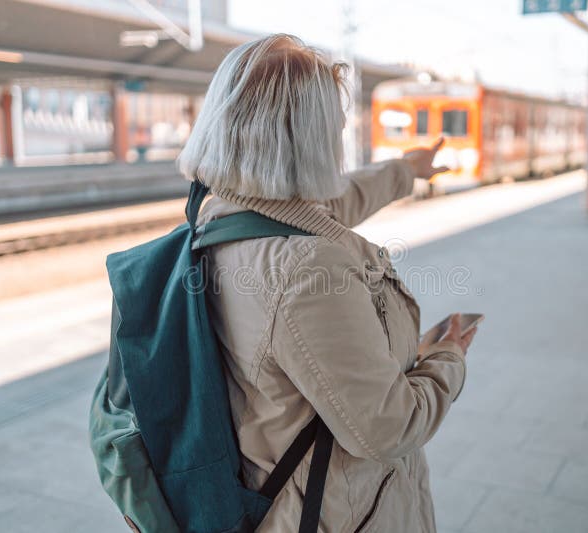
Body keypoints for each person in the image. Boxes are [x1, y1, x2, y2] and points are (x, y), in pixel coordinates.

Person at [177, 33, 477, 533]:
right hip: (329, 515)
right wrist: (450, 357)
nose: (340, 139)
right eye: (335, 128)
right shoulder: (307, 273)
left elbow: (327, 208)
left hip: (263, 479)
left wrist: (406, 171)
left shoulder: (222, 216)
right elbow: (388, 426)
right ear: (308, 142)